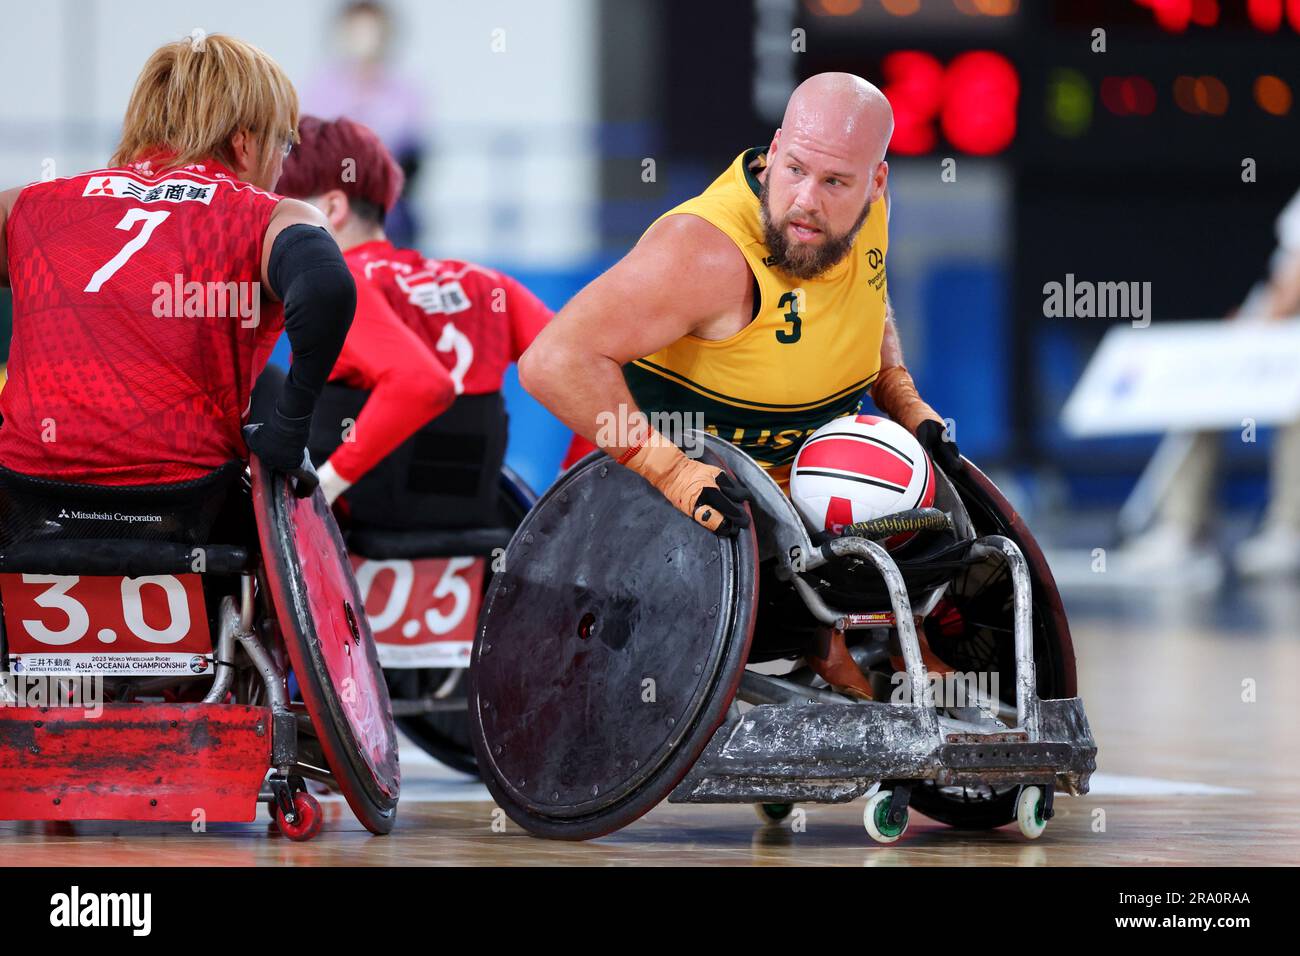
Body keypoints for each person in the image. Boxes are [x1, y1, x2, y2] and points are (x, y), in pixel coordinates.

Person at [519, 72, 959, 535]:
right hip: (661, 513)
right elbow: (552, 362)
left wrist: (900, 394)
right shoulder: (705, 251)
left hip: (802, 504)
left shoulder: (868, 215)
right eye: (794, 169)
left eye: (834, 181)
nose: (806, 201)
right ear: (773, 150)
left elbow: (867, 298)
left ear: (875, 183)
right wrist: (668, 470)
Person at [0, 34, 353, 488]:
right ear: (244, 143)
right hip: (183, 519)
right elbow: (327, 288)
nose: (283, 166)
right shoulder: (269, 217)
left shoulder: (30, 205)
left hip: (25, 516)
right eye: (283, 144)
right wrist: (289, 430)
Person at [274, 115, 555, 505]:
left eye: (279, 209)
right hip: (474, 531)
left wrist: (323, 487)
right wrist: (572, 492)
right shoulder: (490, 285)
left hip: (354, 532)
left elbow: (421, 384)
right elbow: (587, 367)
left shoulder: (337, 285)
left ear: (332, 208)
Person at [1117, 188, 1300, 580]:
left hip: (1285, 346)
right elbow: (1284, 281)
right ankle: (1185, 530)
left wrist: (1260, 324)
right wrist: (1249, 328)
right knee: (1201, 394)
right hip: (1273, 340)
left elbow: (1293, 284)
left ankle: (1291, 530)